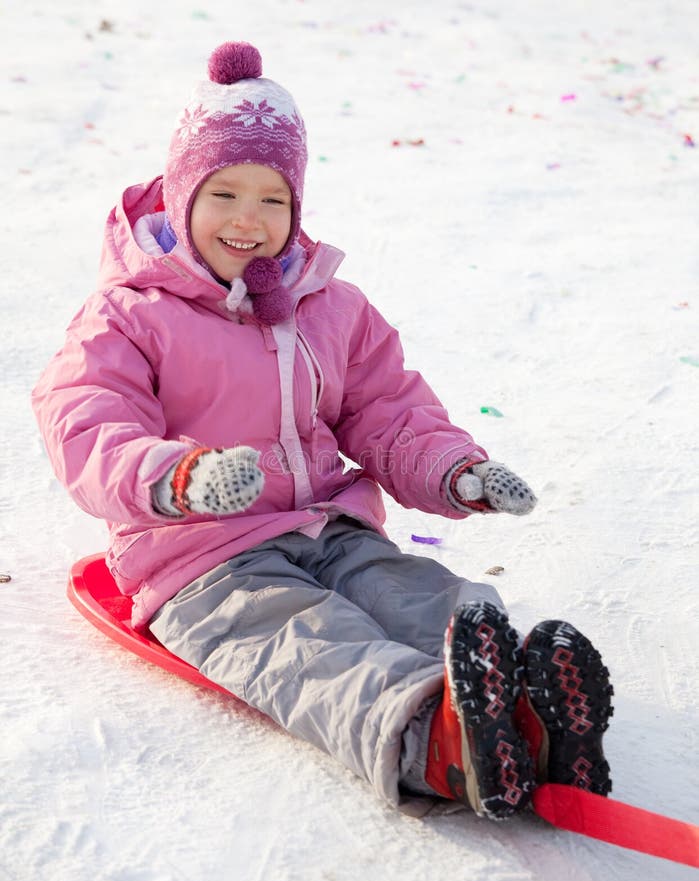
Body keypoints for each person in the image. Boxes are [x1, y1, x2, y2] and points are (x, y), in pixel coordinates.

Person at [32, 41, 613, 819]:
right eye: (224, 193)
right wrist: (181, 477)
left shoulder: (327, 304)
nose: (248, 219)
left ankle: (522, 704)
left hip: (326, 527)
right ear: (179, 195)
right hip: (204, 557)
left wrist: (453, 470)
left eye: (273, 199)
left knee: (419, 595)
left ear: (297, 206)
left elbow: (383, 407)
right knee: (308, 641)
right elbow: (88, 425)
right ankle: (430, 740)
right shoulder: (128, 317)